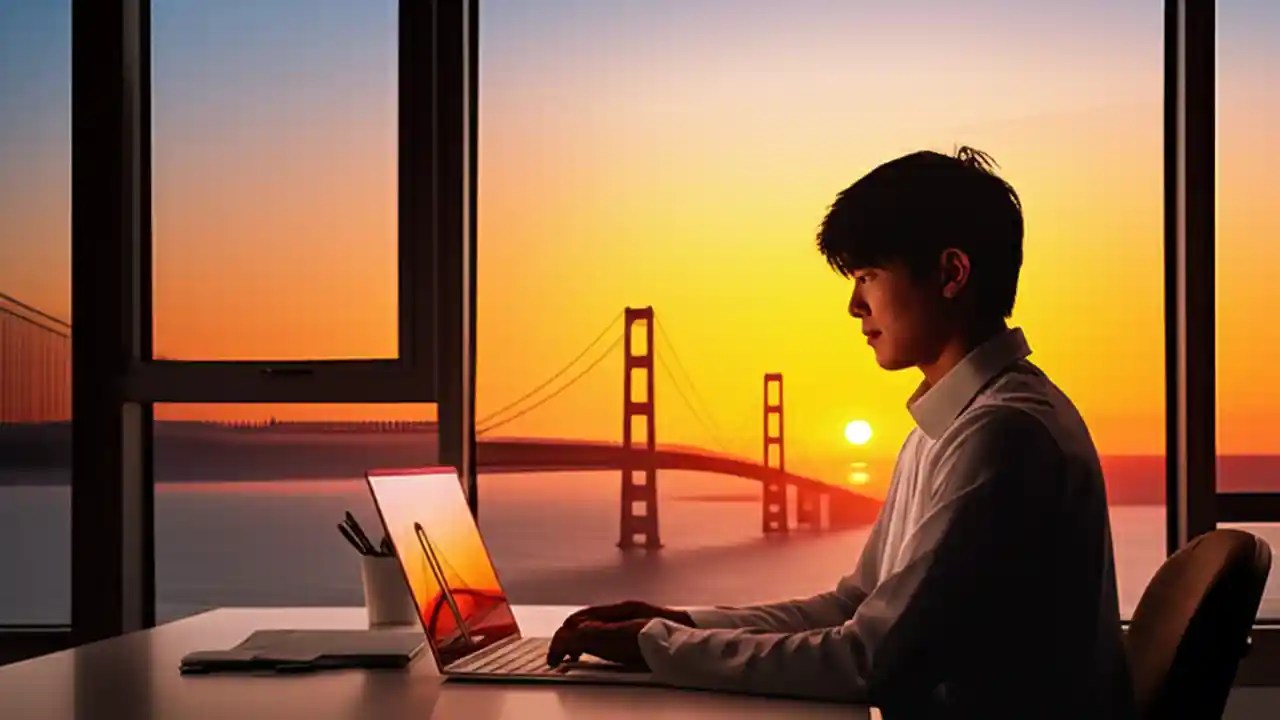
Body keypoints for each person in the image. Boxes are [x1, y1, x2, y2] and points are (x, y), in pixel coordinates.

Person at [545, 147, 1135, 718]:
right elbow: (855, 606)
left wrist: (659, 647)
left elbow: (870, 660)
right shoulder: (948, 425)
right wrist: (679, 624)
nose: (854, 305)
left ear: (952, 273)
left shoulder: (1002, 436)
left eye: (869, 275)